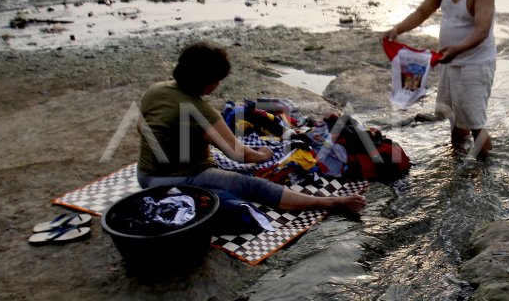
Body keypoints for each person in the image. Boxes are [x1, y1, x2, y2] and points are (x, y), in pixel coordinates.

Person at [136, 41, 366, 215]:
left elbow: (141, 126)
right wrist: (261, 154)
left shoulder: (157, 89)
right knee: (251, 184)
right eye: (217, 80)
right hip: (172, 181)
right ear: (206, 82)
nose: (218, 86)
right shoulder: (200, 111)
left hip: (144, 174)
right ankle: (330, 202)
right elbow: (240, 155)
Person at [383, 0, 496, 159]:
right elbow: (422, 12)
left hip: (474, 65)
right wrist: (397, 29)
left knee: (475, 124)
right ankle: (457, 162)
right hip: (450, 62)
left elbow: (482, 29)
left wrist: (456, 49)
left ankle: (486, 170)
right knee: (454, 118)